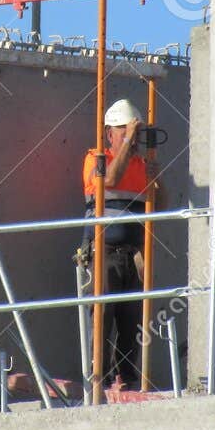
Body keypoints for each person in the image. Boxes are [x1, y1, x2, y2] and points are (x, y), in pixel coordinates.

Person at [79, 98, 162, 392]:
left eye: (134, 133)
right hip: (103, 252)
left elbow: (160, 206)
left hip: (134, 254)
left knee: (131, 320)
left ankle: (126, 378)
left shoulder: (142, 165)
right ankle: (96, 379)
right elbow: (110, 179)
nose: (132, 139)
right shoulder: (96, 159)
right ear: (109, 133)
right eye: (123, 131)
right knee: (101, 316)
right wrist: (129, 140)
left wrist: (157, 179)